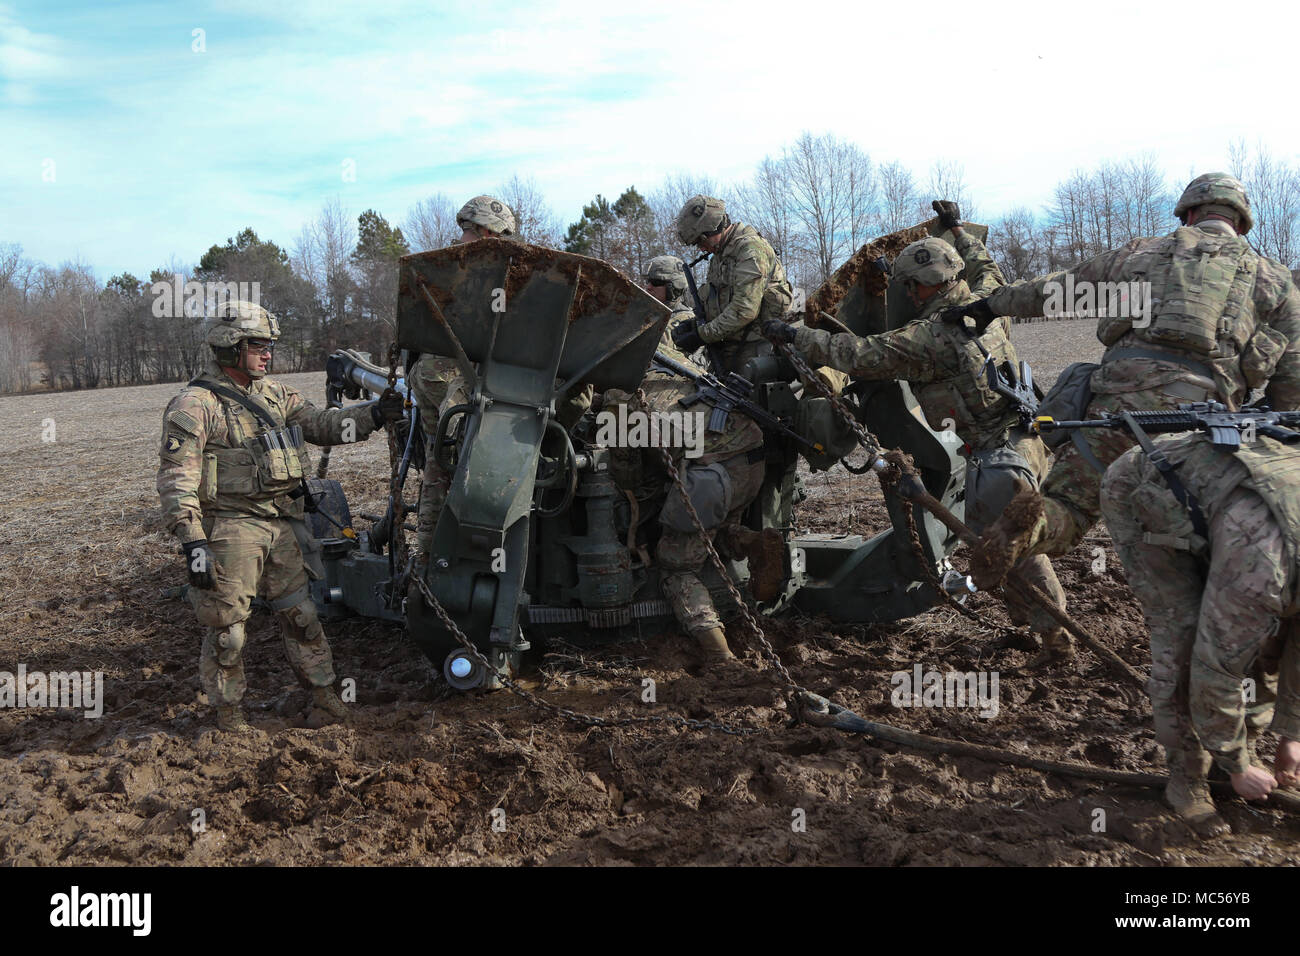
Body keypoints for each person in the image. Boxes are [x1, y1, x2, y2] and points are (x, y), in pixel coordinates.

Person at [961, 173, 1300, 585]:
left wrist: (990, 305)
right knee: (1200, 543)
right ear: (1242, 223)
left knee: (1069, 506)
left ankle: (1029, 527)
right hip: (1204, 429)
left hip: (1118, 411)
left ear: (1188, 214)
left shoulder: (1142, 254)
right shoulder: (1276, 281)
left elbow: (1056, 291)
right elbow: (1291, 387)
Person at [767, 234, 1071, 664]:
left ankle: (1057, 644)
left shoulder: (934, 336)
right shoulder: (988, 303)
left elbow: (858, 354)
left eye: (911, 285)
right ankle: (1029, 624)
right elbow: (989, 271)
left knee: (1018, 553)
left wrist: (796, 336)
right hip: (1029, 438)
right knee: (1011, 544)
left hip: (999, 457)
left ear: (926, 285)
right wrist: (960, 233)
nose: (907, 294)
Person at [157, 300, 403, 731]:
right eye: (257, 345)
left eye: (269, 345)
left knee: (303, 618)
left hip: (283, 525)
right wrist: (193, 541)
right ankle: (228, 716)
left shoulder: (275, 395)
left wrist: (374, 415)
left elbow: (323, 425)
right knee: (227, 632)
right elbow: (177, 478)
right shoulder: (195, 405)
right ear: (229, 347)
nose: (267, 353)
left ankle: (326, 699)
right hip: (231, 530)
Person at [1099, 431, 1300, 835]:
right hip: (1148, 494)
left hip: (1230, 510)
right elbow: (1215, 667)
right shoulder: (1263, 569)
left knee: (1268, 638)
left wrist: (1293, 733)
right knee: (1185, 641)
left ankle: (1238, 757)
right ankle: (1187, 780)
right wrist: (1237, 762)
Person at [408, 196, 518, 561]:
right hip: (449, 377)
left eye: (475, 232)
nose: (472, 238)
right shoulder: (449, 270)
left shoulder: (514, 271)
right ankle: (432, 560)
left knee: (444, 466)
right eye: (474, 232)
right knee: (445, 460)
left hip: (494, 380)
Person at [670, 195, 794, 378]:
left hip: (756, 350)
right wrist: (693, 325)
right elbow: (717, 305)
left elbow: (744, 310)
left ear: (712, 229)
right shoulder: (720, 257)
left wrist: (701, 335)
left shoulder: (750, 250)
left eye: (700, 241)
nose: (701, 248)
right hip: (730, 350)